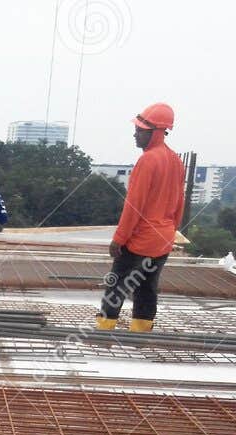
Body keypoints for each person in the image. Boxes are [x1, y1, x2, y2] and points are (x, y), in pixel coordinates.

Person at [98, 103, 185, 333]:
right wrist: (170, 232)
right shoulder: (176, 160)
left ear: (155, 131)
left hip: (140, 240)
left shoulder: (148, 161)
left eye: (139, 130)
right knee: (147, 287)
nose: (135, 134)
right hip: (162, 239)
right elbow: (179, 204)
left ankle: (104, 329)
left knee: (116, 285)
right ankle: (141, 330)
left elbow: (133, 206)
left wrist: (119, 238)